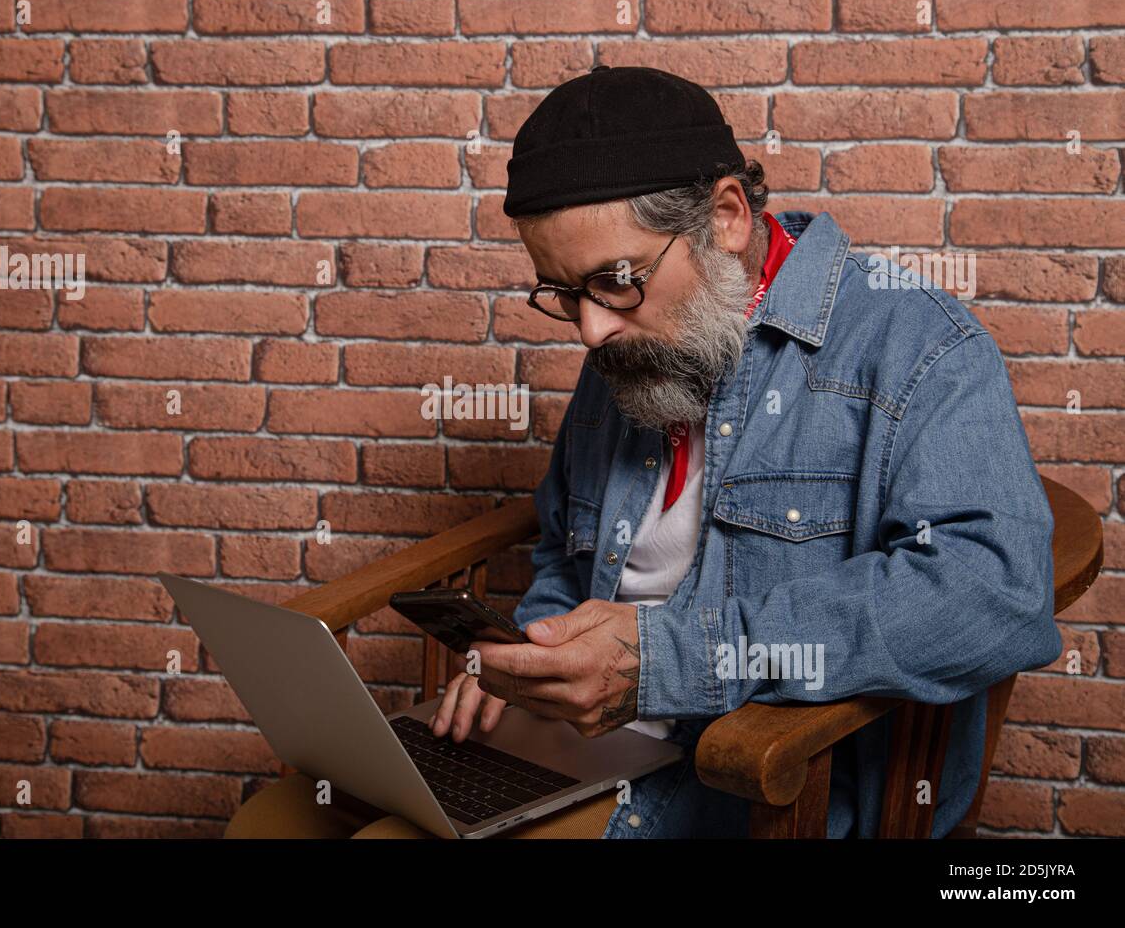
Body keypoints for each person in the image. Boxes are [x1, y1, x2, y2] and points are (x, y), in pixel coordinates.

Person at [233, 65, 1061, 839]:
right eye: (563, 293)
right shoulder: (633, 344)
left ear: (726, 218)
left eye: (615, 280)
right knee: (272, 824)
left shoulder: (914, 344)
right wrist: (526, 654)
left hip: (754, 776)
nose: (591, 329)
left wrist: (670, 660)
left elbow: (993, 592)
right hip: (578, 737)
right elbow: (567, 543)